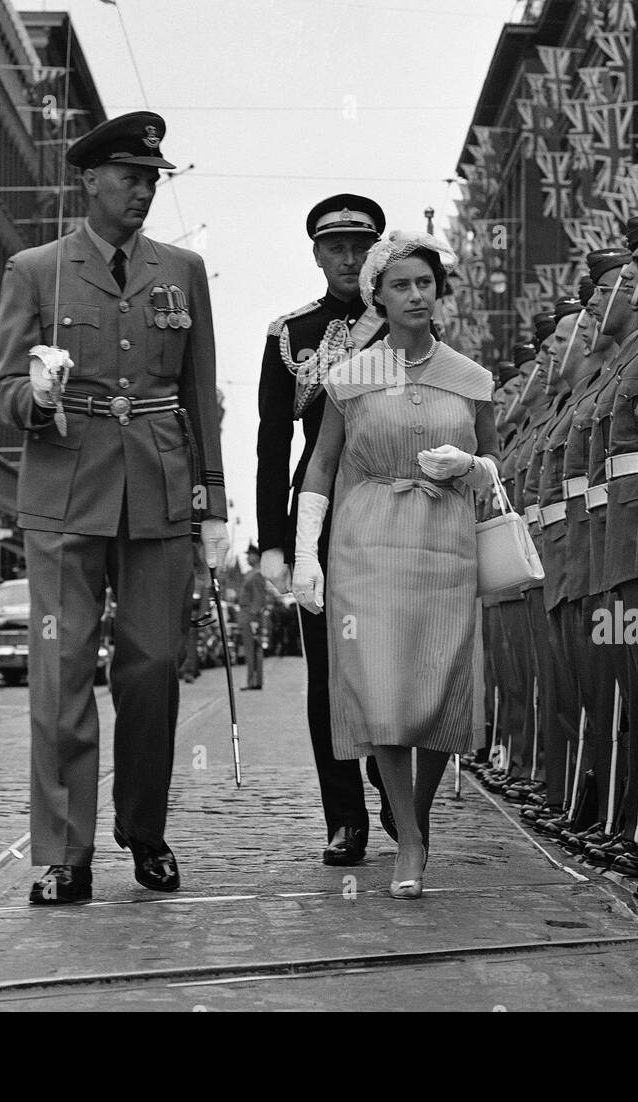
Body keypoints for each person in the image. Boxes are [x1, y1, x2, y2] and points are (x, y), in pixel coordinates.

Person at [0, 110, 230, 905]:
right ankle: (65, 852)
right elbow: (1, 393)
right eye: (131, 176)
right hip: (64, 484)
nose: (145, 190)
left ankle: (145, 829)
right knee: (60, 671)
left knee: (155, 666)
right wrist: (37, 393)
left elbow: (199, 392)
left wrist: (215, 499)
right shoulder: (35, 269)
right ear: (89, 179)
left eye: (153, 178)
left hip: (158, 481)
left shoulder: (182, 269)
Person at [293, 231, 496, 897]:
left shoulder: (469, 378)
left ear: (439, 294)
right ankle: (408, 838)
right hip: (368, 540)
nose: (415, 295)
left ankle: (419, 816)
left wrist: (471, 467)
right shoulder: (350, 377)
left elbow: (497, 469)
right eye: (400, 285)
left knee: (439, 687)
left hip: (446, 539)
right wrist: (305, 554)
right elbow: (321, 464)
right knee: (381, 688)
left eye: (425, 284)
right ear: (375, 295)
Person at [256, 192, 391, 866]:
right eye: (335, 246)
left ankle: (391, 783)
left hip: (396, 510)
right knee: (329, 672)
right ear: (315, 254)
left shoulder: (407, 321)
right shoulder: (293, 334)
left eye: (360, 245)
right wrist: (275, 540)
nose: (348, 257)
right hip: (323, 514)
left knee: (395, 654)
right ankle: (345, 816)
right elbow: (272, 442)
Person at [237, 544, 268, 690]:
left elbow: (258, 599)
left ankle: (255, 681)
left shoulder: (257, 574)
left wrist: (255, 619)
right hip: (246, 614)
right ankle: (253, 680)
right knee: (250, 649)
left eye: (250, 555)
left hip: (251, 616)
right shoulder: (251, 573)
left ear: (256, 556)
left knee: (253, 649)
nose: (248, 558)